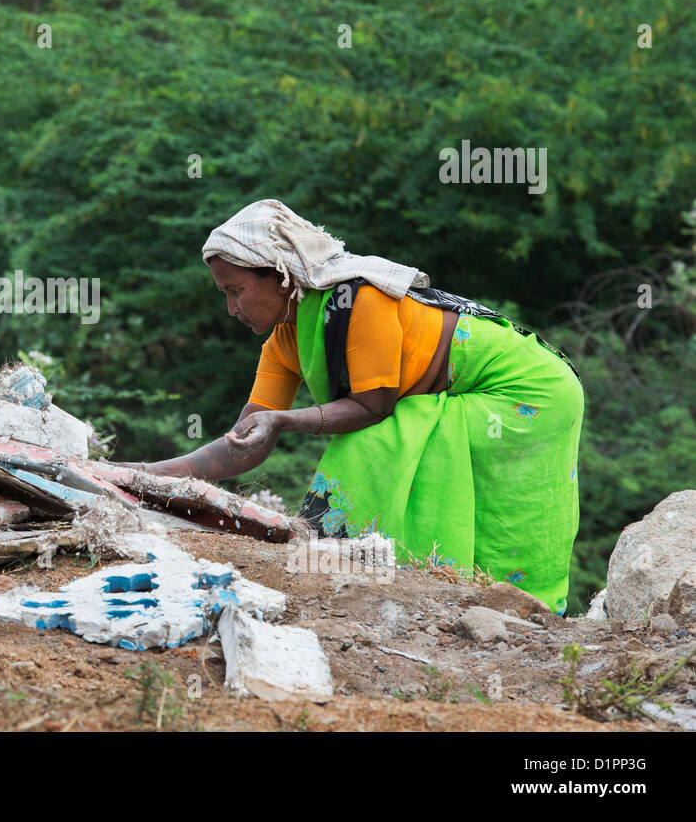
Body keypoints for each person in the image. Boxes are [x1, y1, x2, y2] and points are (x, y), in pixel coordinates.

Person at [119, 200, 584, 614]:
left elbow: (372, 406)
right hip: (477, 393)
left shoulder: (358, 299)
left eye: (235, 290)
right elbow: (245, 443)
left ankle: (505, 609)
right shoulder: (286, 339)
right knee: (403, 447)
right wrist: (143, 476)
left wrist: (282, 420)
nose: (231, 308)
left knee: (382, 444)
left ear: (280, 276)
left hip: (527, 391)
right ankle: (471, 606)